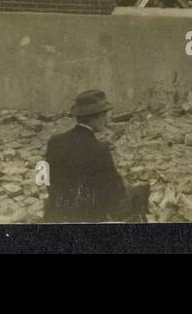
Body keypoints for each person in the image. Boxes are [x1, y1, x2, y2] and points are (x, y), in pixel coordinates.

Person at [43, 90, 149, 223]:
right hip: (89, 218)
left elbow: (46, 180)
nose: (106, 119)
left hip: (55, 215)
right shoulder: (99, 149)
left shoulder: (55, 141)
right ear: (95, 117)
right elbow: (114, 193)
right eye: (104, 115)